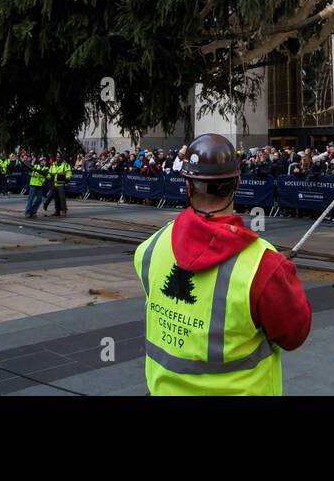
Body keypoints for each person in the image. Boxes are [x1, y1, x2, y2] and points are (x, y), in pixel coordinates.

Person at [132, 134, 311, 395]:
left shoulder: (150, 248)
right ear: (237, 182)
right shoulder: (265, 266)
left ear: (188, 185)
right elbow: (294, 335)